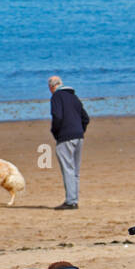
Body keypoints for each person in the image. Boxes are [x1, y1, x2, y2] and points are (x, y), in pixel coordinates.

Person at [48, 75, 89, 210]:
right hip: (79, 137)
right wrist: (80, 131)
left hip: (65, 137)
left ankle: (71, 201)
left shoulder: (56, 97)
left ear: (52, 87)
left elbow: (57, 116)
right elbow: (85, 118)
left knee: (68, 169)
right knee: (74, 170)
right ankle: (73, 199)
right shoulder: (74, 97)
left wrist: (56, 133)